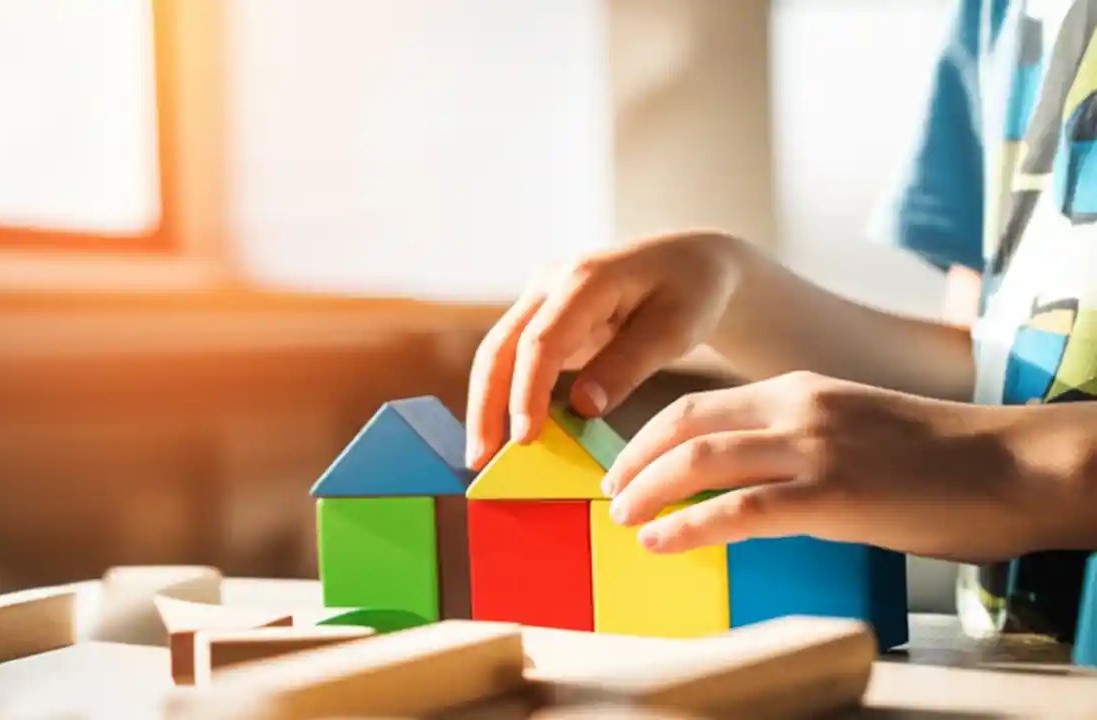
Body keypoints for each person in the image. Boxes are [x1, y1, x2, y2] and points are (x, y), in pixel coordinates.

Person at [465, 0, 1097, 639]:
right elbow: (995, 376)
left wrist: (1019, 467)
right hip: (1021, 663)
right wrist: (741, 292)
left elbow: (994, 443)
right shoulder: (996, 13)